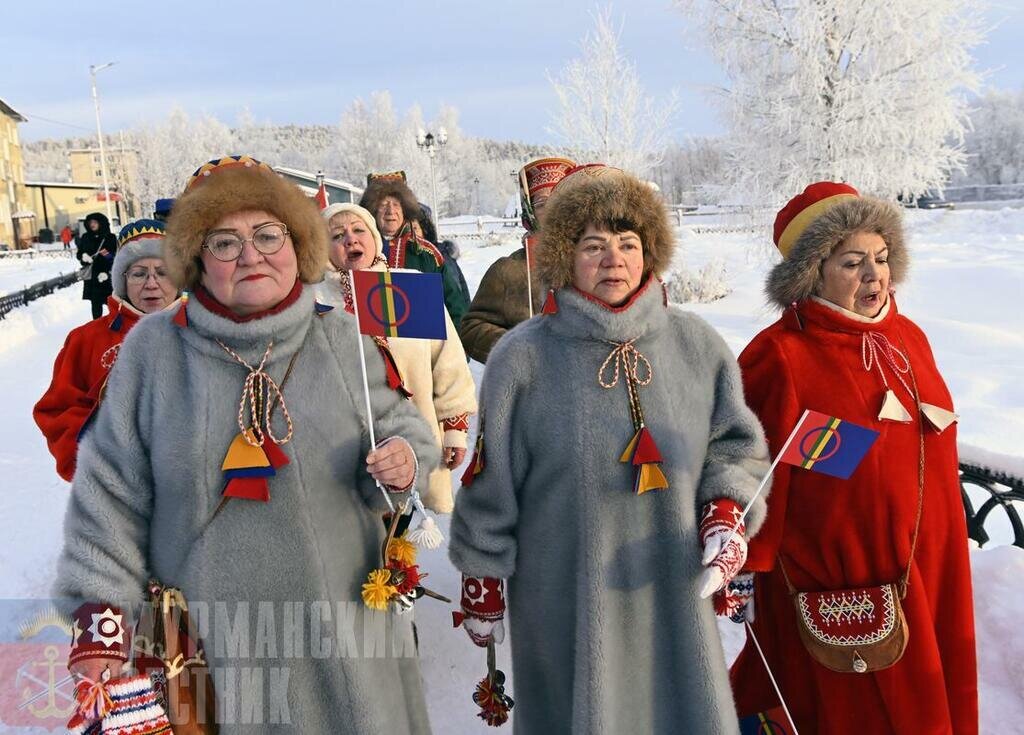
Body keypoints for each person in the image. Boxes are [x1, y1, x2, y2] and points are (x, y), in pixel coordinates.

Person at [55, 156, 440, 734]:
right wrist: (101, 620)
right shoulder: (154, 352)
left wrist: (404, 458)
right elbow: (108, 494)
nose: (251, 254)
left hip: (348, 637)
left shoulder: (340, 336)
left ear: (298, 244)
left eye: (267, 234)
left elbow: (402, 424)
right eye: (224, 242)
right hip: (216, 648)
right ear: (196, 260)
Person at [448, 165, 770, 733]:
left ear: (649, 253)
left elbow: (735, 446)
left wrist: (727, 511)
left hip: (670, 585)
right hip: (561, 590)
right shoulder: (522, 358)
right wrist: (483, 572)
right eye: (593, 246)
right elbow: (490, 478)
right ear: (564, 257)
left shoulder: (697, 344)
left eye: (627, 244)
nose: (613, 259)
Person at [728, 182, 977, 734]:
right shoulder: (779, 354)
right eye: (852, 262)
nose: (874, 275)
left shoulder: (908, 337)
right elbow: (754, 473)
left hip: (930, 568)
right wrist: (749, 565)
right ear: (812, 271)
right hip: (840, 582)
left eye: (882, 258)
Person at [316, 203, 477, 513]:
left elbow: (447, 360)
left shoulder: (405, 287)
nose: (351, 239)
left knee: (402, 532)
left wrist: (454, 427)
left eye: (359, 230)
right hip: (342, 450)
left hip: (413, 437)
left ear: (375, 238)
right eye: (338, 235)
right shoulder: (315, 299)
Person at [34, 219, 179, 482]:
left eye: (162, 271)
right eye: (138, 273)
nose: (151, 283)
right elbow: (57, 412)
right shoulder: (85, 340)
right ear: (121, 280)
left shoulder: (207, 332)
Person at [458, 156, 575, 363]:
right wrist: (517, 349)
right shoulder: (508, 271)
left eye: (560, 200)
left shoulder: (598, 261)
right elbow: (471, 328)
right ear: (529, 213)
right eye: (541, 204)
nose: (552, 210)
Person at [359, 172, 469, 327]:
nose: (390, 211)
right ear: (373, 210)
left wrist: (455, 347)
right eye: (383, 205)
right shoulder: (359, 253)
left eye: (396, 205)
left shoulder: (428, 254)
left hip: (425, 347)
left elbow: (455, 308)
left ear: (405, 210)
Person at [76, 212, 118, 319]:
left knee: (112, 304)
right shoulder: (86, 237)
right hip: (92, 278)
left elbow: (115, 258)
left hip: (106, 276)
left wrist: (107, 273)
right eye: (90, 222)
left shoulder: (110, 237)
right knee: (95, 306)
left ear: (101, 223)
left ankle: (115, 327)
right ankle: (97, 328)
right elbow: (79, 254)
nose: (92, 225)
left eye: (95, 222)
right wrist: (83, 257)